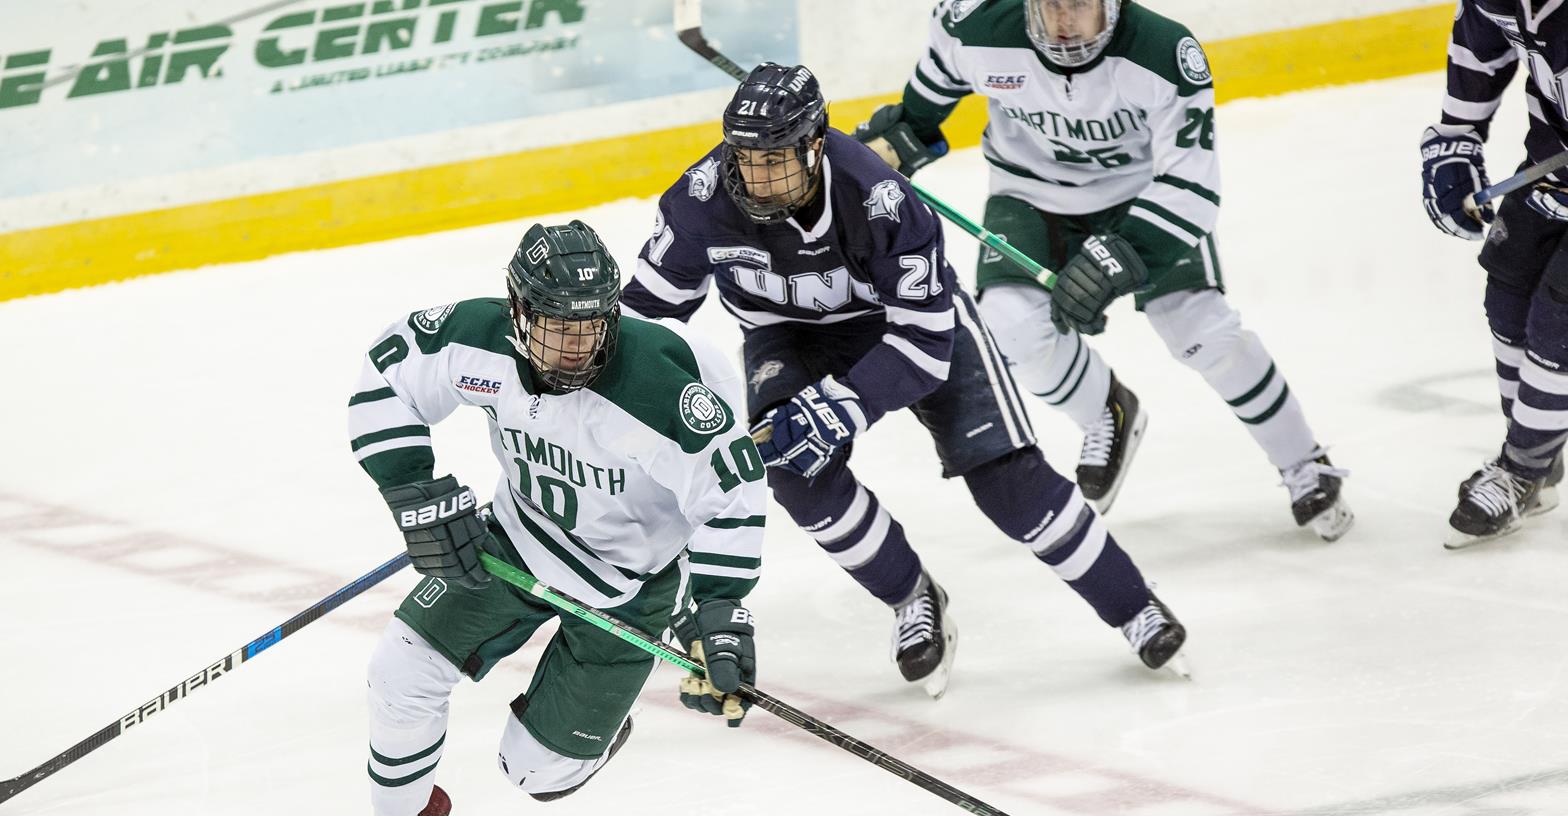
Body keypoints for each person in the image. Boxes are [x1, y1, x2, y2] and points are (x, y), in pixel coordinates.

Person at [623, 62, 1186, 700]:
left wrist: (840, 407)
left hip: (907, 331)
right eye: (745, 158)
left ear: (814, 147)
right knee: (797, 477)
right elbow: (645, 318)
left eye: (775, 159)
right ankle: (912, 596)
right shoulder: (701, 201)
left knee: (1010, 486)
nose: (756, 175)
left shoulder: (879, 199)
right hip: (788, 337)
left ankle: (1131, 603)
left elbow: (923, 342)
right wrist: (628, 408)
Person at [315, 220, 767, 816]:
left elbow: (731, 493)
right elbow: (386, 376)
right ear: (519, 312)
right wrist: (415, 490)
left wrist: (719, 609)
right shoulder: (479, 338)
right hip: (516, 541)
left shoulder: (656, 389)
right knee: (400, 668)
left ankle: (595, 728)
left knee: (536, 773)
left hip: (627, 586)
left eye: (592, 325)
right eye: (558, 326)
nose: (579, 345)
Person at [856, 0, 1351, 539]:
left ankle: (1304, 460)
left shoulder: (1165, 52)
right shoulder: (972, 25)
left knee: (1203, 332)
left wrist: (1118, 258)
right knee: (1008, 325)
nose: (1065, 23)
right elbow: (921, 110)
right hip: (1029, 195)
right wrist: (885, 148)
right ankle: (1105, 411)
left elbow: (1193, 188)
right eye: (1051, 6)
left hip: (1142, 197)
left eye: (1080, 6)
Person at [1419, 0, 1568, 546]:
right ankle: (1538, 458)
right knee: (1508, 291)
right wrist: (1457, 135)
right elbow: (1482, 45)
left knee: (1560, 321)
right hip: (1553, 163)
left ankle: (1521, 470)